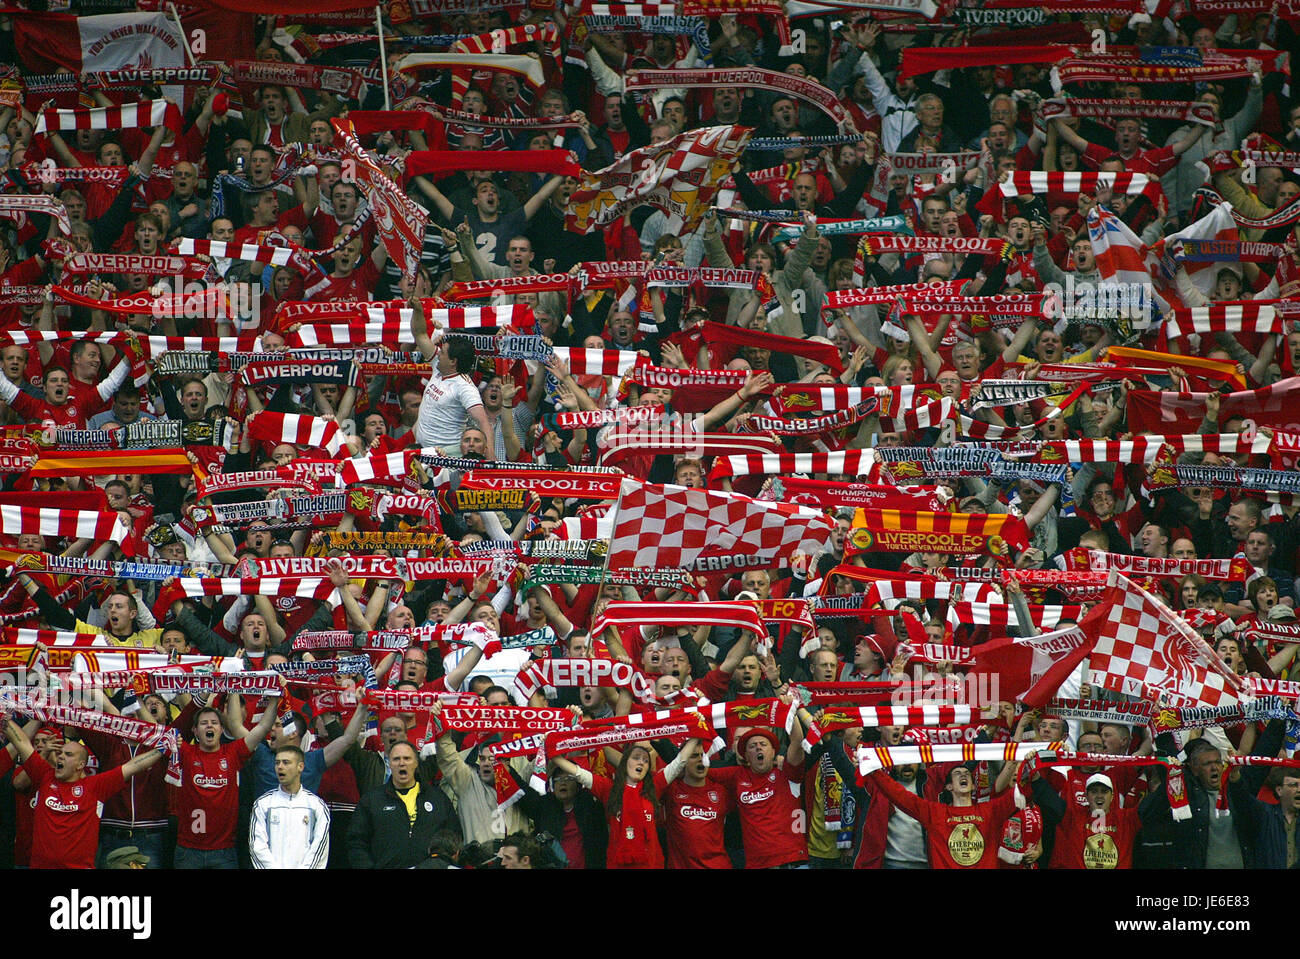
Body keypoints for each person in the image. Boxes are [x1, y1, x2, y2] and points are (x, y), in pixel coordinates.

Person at [2, 717, 165, 869]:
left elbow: (133, 766)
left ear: (81, 765)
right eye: (60, 753)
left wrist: (163, 749)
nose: (61, 757)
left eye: (68, 754)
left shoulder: (95, 786)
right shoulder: (44, 776)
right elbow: (21, 741)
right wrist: (4, 718)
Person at [174, 702, 278, 869]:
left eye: (214, 723)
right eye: (204, 723)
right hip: (188, 851)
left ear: (222, 729)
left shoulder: (233, 752)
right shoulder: (184, 751)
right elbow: (153, 733)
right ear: (194, 731)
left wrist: (276, 697)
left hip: (224, 851)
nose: (209, 725)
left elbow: (264, 726)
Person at [348, 740, 460, 869]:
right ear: (389, 764)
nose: (402, 763)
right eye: (396, 759)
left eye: (407, 758)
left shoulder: (438, 798)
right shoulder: (372, 800)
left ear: (416, 763)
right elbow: (357, 842)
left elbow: (452, 837)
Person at [249, 745, 332, 869]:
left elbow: (320, 847)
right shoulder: (262, 804)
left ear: (300, 767)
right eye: (277, 763)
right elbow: (257, 846)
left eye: (286, 762)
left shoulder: (317, 806)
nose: (280, 767)